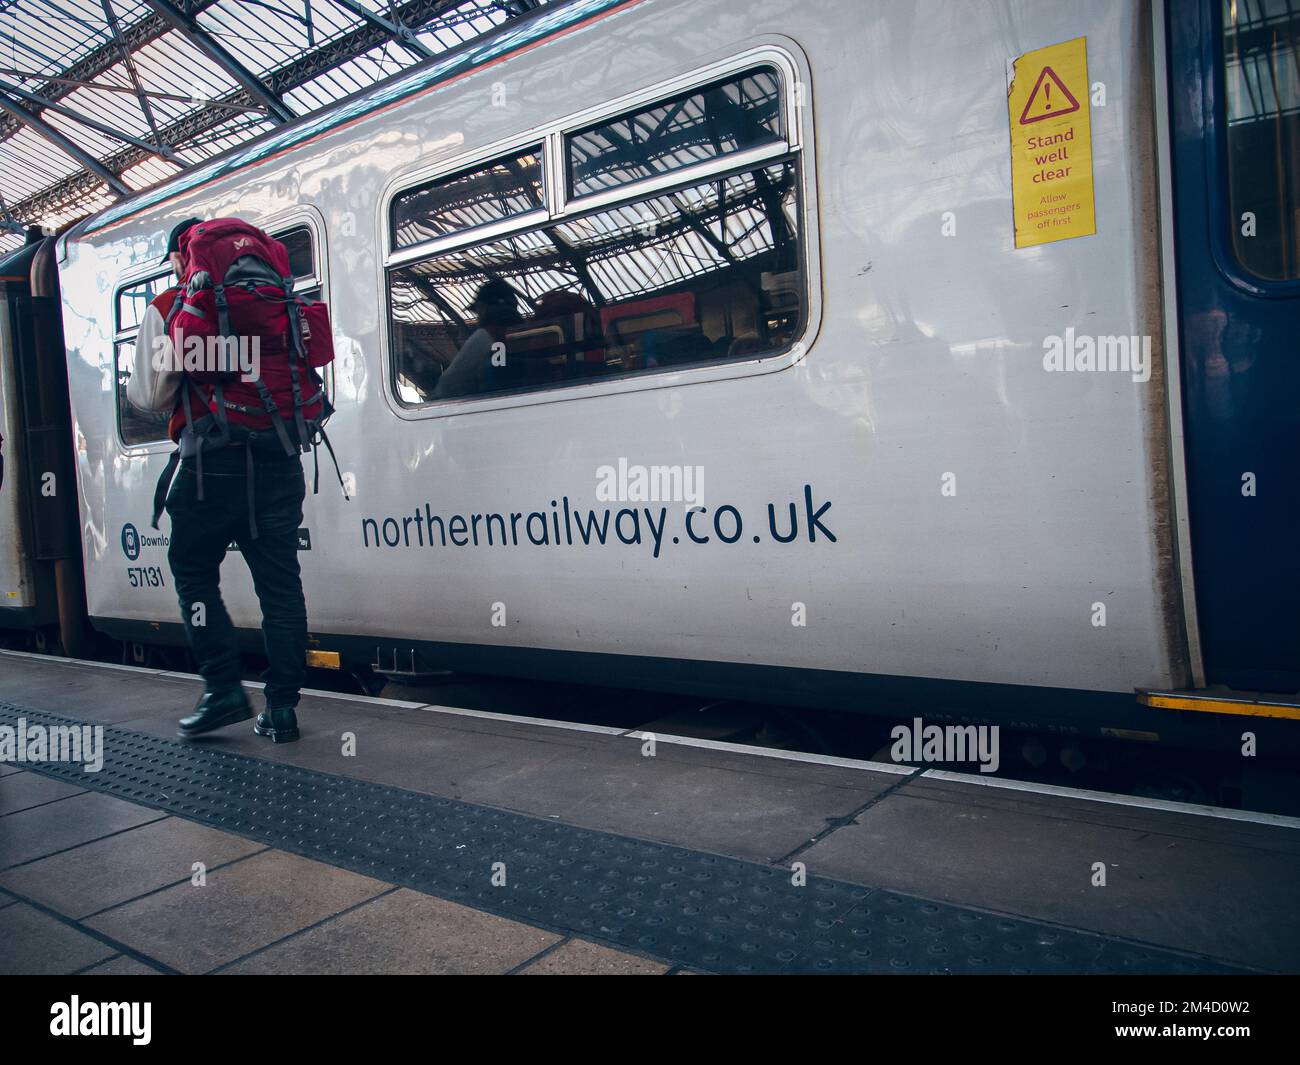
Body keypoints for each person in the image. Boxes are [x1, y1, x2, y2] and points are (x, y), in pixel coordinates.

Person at [134, 217, 309, 743]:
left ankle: (223, 687)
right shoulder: (277, 297)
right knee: (281, 590)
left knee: (192, 571)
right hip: (279, 457)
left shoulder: (170, 307)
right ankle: (281, 709)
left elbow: (151, 397)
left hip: (212, 464)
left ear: (180, 257)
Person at [434, 279, 523, 398]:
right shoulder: (489, 338)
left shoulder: (486, 337)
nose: (478, 315)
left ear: (484, 309)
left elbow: (446, 387)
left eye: (478, 310)